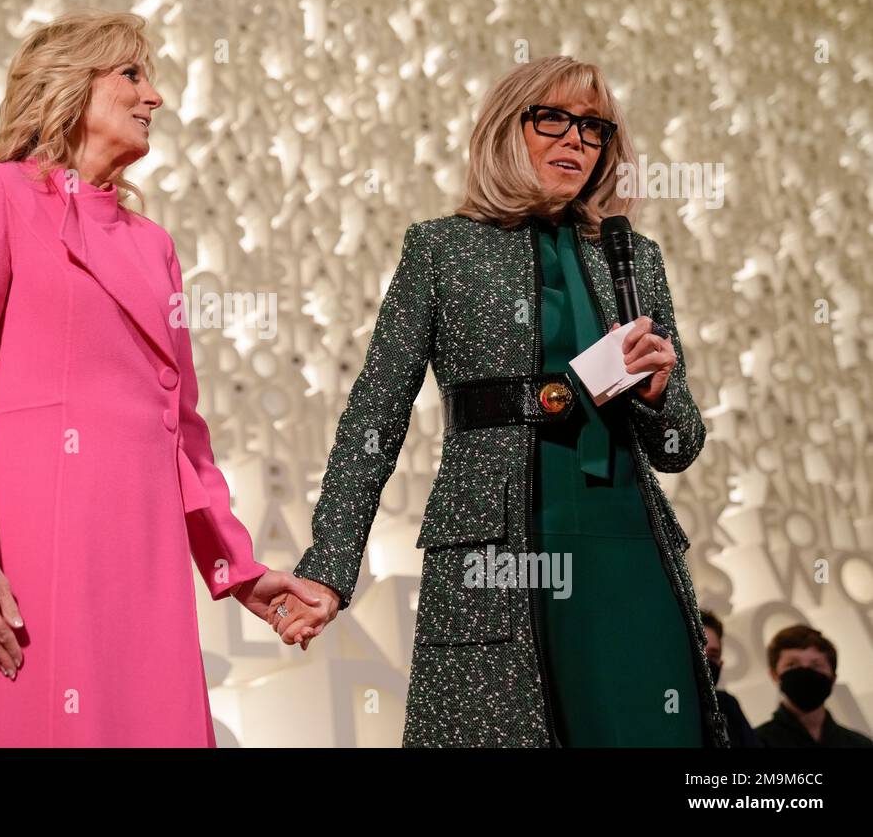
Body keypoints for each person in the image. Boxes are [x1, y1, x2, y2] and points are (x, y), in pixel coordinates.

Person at [269, 55, 729, 747]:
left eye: (594, 128)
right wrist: (331, 566)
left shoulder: (635, 257)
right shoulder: (442, 249)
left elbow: (678, 447)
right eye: (555, 119)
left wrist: (662, 396)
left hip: (626, 546)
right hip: (500, 552)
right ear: (507, 129)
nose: (576, 140)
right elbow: (375, 414)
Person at [0, 9, 323, 747]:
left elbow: (182, 430)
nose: (154, 96)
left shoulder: (154, 245)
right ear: (70, 83)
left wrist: (238, 568)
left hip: (138, 558)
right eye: (131, 74)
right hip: (23, 548)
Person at [754, 624, 872, 747]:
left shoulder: (860, 745)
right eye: (792, 664)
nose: (805, 671)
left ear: (833, 678)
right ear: (774, 675)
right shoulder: (753, 743)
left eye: (816, 665)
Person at [700, 609, 759, 747]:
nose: (704, 661)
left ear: (721, 663)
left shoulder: (727, 705)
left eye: (713, 655)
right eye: (697, 651)